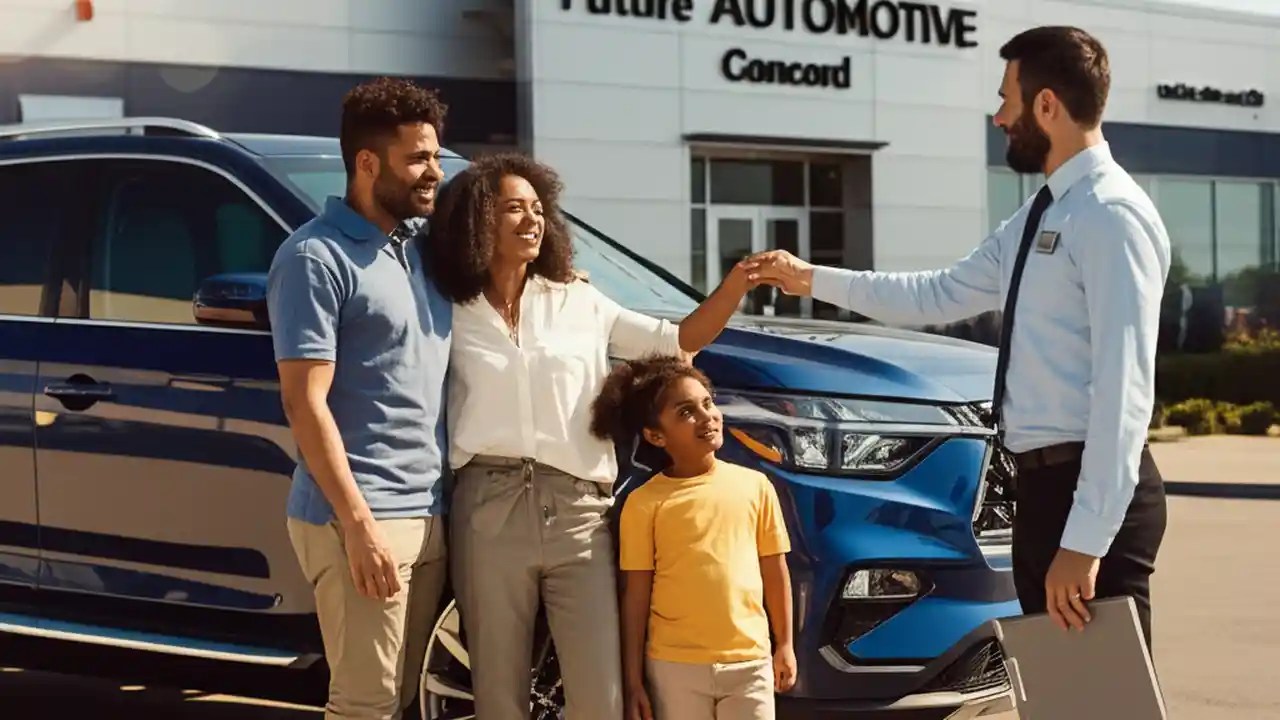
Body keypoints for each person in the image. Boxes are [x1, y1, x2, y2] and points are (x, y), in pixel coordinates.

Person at [745, 25, 1171, 650]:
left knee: (1105, 701)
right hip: (1042, 488)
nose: (998, 118)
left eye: (1007, 99)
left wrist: (1084, 543)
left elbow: (1125, 392)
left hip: (1088, 494)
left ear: (1046, 105)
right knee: (1065, 700)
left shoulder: (1111, 217)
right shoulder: (1044, 213)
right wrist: (809, 279)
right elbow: (936, 294)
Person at [425, 152, 753, 719]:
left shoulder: (578, 299)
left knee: (599, 698)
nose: (532, 221)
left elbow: (679, 341)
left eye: (537, 209)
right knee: (497, 698)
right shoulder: (448, 305)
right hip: (487, 509)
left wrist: (738, 283)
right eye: (513, 209)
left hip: (578, 512)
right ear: (479, 218)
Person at [267, 77, 451, 719]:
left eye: (436, 156)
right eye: (419, 159)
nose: (435, 173)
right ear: (368, 163)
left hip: (428, 509)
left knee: (402, 701)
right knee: (365, 704)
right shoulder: (314, 258)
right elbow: (304, 403)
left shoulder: (422, 250)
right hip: (363, 516)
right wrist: (359, 524)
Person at [591, 356, 795, 720]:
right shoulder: (644, 503)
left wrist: (785, 645)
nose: (707, 417)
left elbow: (775, 570)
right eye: (686, 412)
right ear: (655, 436)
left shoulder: (756, 487)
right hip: (673, 668)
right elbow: (636, 595)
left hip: (749, 664)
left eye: (708, 403)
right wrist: (633, 680)